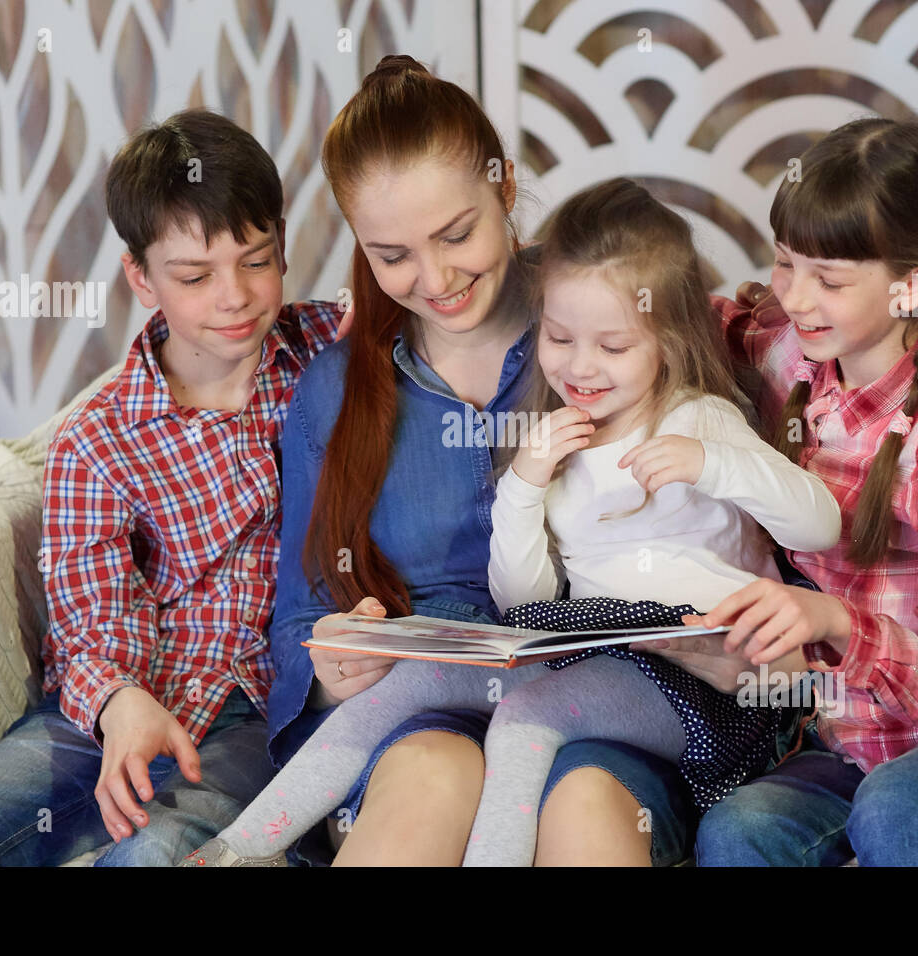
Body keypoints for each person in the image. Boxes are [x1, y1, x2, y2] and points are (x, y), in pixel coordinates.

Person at [183, 177, 840, 867]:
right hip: (590, 653)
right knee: (413, 681)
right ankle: (239, 850)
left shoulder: (696, 420)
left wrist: (714, 464)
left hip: (699, 676)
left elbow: (818, 524)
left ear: (669, 343)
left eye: (612, 348)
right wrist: (525, 487)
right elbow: (523, 603)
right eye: (558, 338)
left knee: (527, 722)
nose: (580, 366)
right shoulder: (563, 437)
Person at [0, 109, 342, 866]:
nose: (236, 297)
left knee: (150, 859)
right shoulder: (100, 437)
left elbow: (437, 306)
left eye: (258, 260)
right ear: (140, 277)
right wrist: (121, 701)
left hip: (255, 710)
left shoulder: (324, 348)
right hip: (118, 708)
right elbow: (89, 612)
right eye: (194, 276)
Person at [667, 117, 918, 866]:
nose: (797, 296)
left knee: (894, 811)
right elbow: (682, 314)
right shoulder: (793, 347)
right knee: (736, 829)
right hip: (851, 739)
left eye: (830, 279)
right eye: (786, 264)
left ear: (913, 283)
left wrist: (833, 620)